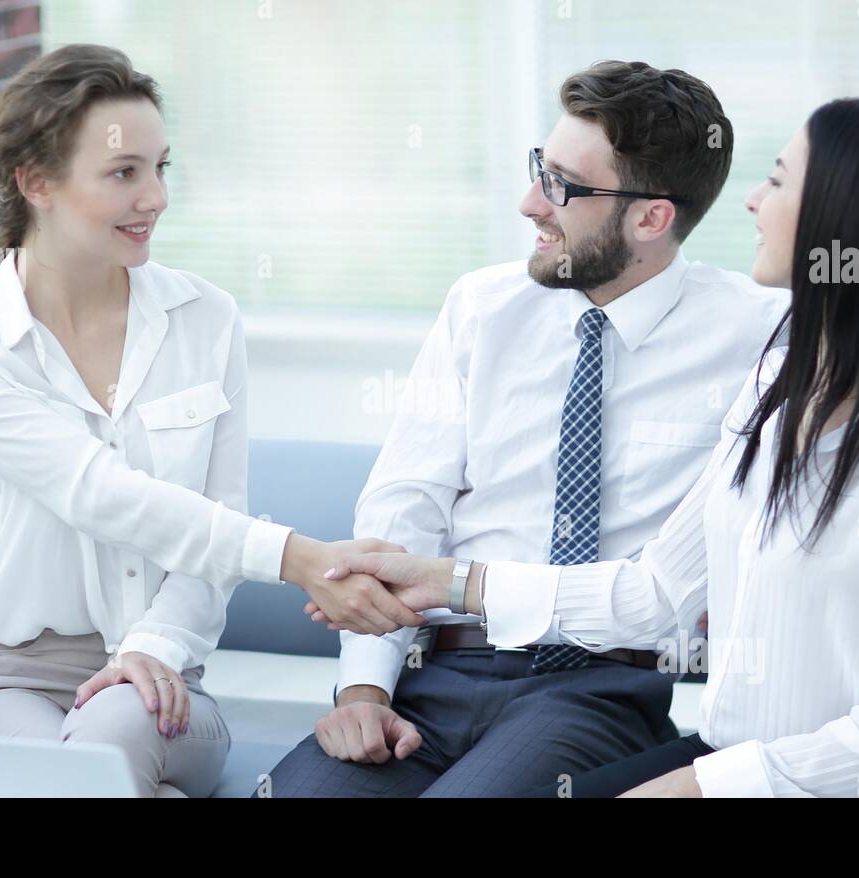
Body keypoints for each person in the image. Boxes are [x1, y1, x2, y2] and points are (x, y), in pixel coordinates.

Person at [323, 97, 859, 798]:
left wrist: (694, 786)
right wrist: (449, 582)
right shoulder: (774, 399)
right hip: (718, 758)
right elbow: (653, 589)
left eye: (777, 181)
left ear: (846, 220)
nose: (751, 200)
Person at [263, 61, 789, 797]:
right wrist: (365, 691)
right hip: (437, 672)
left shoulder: (761, 338)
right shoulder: (482, 306)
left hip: (599, 687)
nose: (529, 203)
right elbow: (405, 506)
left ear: (650, 218)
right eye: (540, 168)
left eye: (564, 187)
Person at [0, 44, 416, 799]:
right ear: (35, 182)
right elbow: (98, 491)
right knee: (76, 783)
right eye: (123, 173)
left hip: (163, 676)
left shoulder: (206, 320)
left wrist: (151, 647)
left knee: (108, 740)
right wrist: (300, 557)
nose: (156, 198)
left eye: (161, 167)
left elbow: (212, 529)